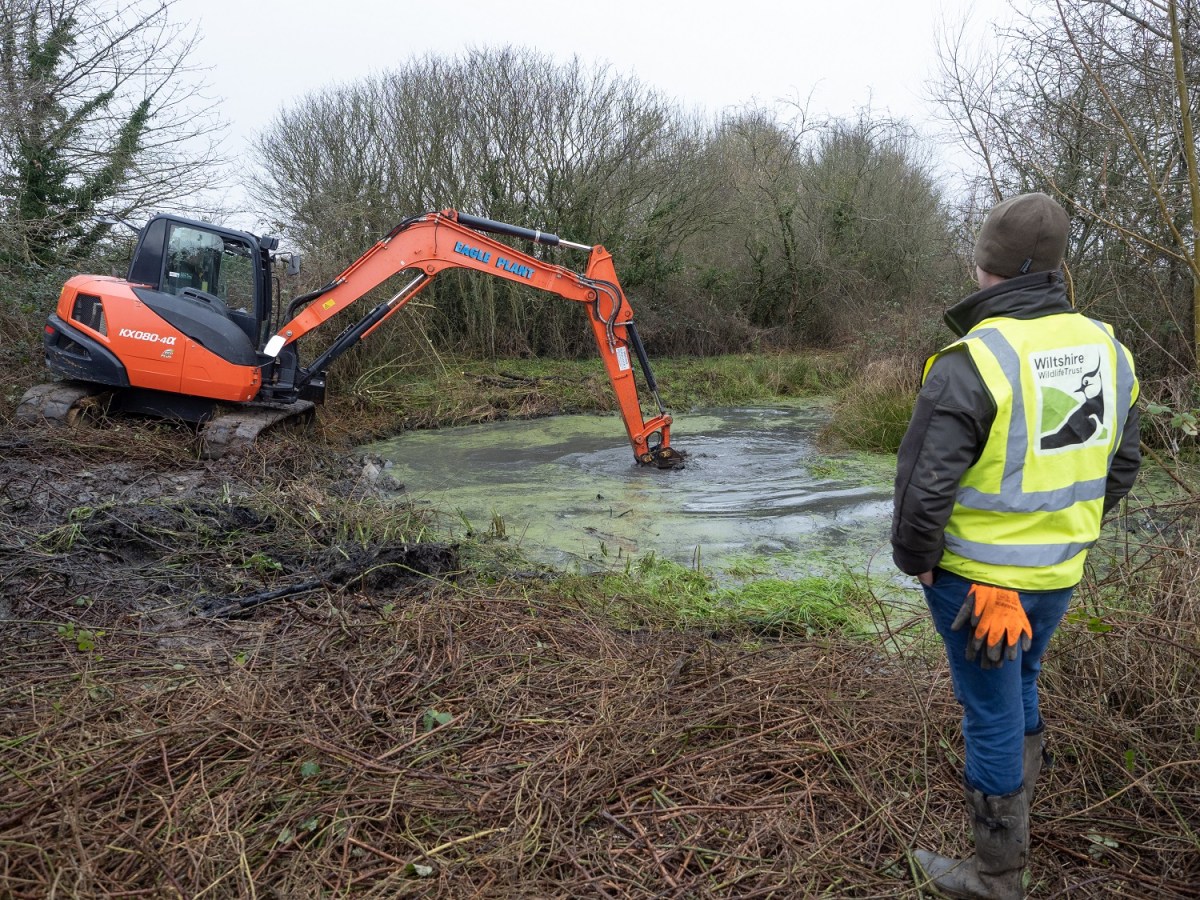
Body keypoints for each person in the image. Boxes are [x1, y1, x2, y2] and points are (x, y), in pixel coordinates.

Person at [891, 192, 1141, 899]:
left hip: (976, 583)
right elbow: (1121, 467)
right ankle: (1020, 809)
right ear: (1055, 267)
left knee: (991, 710)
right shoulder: (1108, 349)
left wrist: (918, 560)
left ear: (984, 264)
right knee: (1022, 681)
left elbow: (923, 490)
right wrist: (1063, 528)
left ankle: (998, 874)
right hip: (1059, 570)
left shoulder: (973, 360)